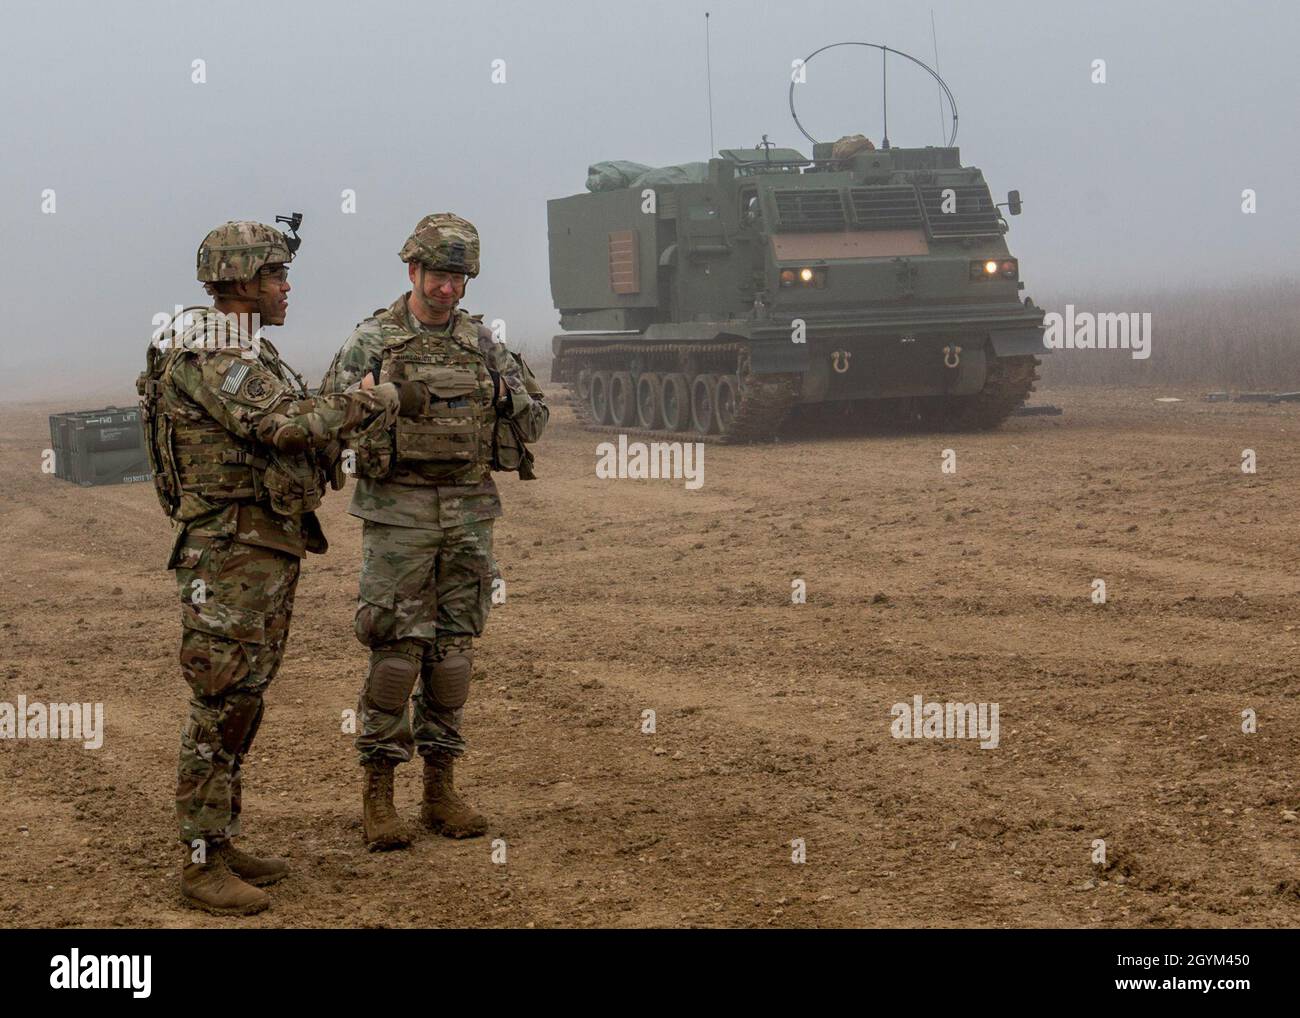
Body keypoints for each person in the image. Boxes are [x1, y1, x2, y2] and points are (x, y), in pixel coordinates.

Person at [137, 218, 428, 913]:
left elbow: (295, 424)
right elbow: (286, 425)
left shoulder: (249, 348)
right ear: (239, 281)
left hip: (260, 545)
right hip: (229, 551)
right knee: (220, 702)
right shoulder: (214, 355)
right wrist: (378, 399)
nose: (286, 287)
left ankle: (222, 839)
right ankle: (200, 862)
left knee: (244, 699)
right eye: (274, 276)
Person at [320, 213, 546, 851]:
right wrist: (378, 400)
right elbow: (327, 418)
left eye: (458, 277)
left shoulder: (482, 344)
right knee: (395, 653)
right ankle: (378, 797)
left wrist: (508, 395)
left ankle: (441, 791)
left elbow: (534, 423)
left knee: (452, 656)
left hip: (470, 515)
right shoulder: (374, 340)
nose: (447, 289)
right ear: (412, 270)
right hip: (399, 516)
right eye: (438, 275)